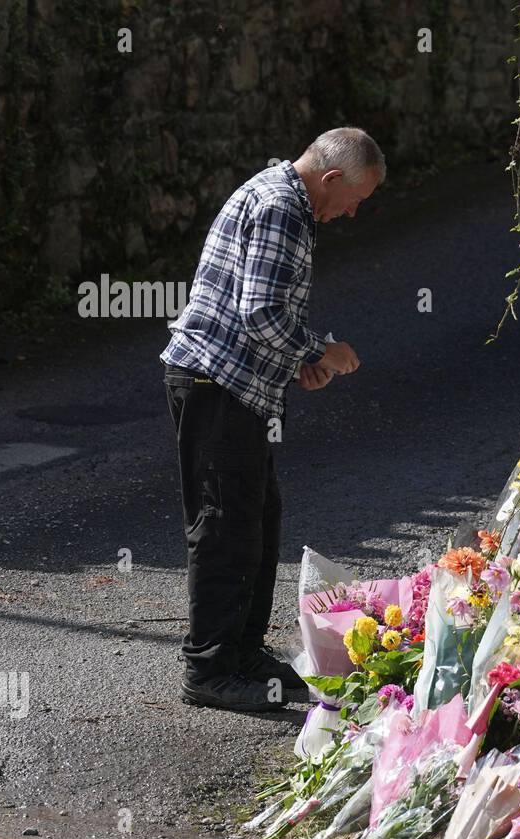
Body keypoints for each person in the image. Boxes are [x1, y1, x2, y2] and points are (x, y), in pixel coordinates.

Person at [159, 127, 384, 711]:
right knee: (225, 528)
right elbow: (260, 313)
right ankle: (209, 669)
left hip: (233, 385)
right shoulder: (284, 206)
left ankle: (243, 653)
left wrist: (298, 360)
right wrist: (318, 351)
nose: (353, 214)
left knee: (256, 522)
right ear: (331, 179)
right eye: (355, 201)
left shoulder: (283, 199)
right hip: (215, 385)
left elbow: (260, 315)